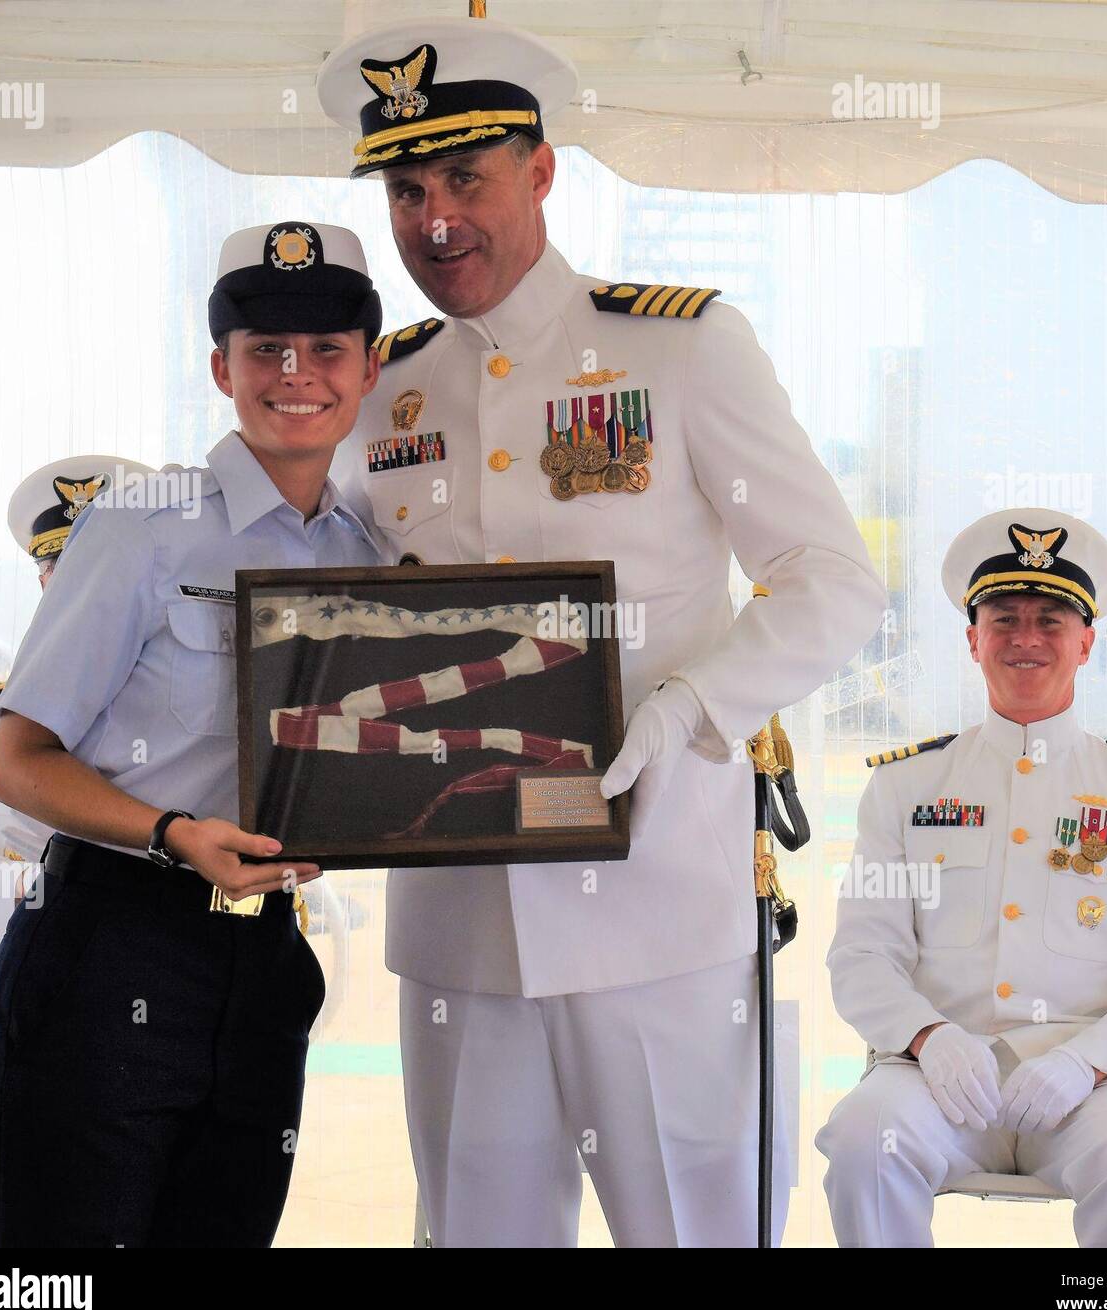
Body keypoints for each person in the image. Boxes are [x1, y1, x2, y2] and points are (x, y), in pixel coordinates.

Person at [317, 16, 887, 1247]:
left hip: (658, 909)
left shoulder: (678, 348)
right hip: (458, 910)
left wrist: (691, 707)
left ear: (540, 171)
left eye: (464, 177)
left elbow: (831, 578)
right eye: (407, 189)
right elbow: (337, 605)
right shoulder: (389, 385)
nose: (435, 219)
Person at [0, 221, 384, 1247]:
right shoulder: (142, 524)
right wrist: (169, 832)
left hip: (264, 966)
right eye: (265, 351)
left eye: (328, 348)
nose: (298, 375)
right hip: (110, 951)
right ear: (221, 368)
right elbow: (19, 761)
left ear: (370, 368)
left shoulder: (369, 552)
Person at [814, 507, 1107, 1248]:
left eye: (1050, 619)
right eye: (1004, 619)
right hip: (936, 1075)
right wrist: (928, 1035)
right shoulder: (905, 787)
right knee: (862, 1142)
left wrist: (1087, 1060)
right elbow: (863, 953)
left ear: (1086, 642)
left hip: (1094, 1082)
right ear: (973, 640)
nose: (1025, 639)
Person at [0, 456, 145, 1163]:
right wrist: (79, 897)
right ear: (44, 583)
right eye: (66, 570)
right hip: (4, 1018)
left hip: (162, 1017)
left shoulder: (211, 709)